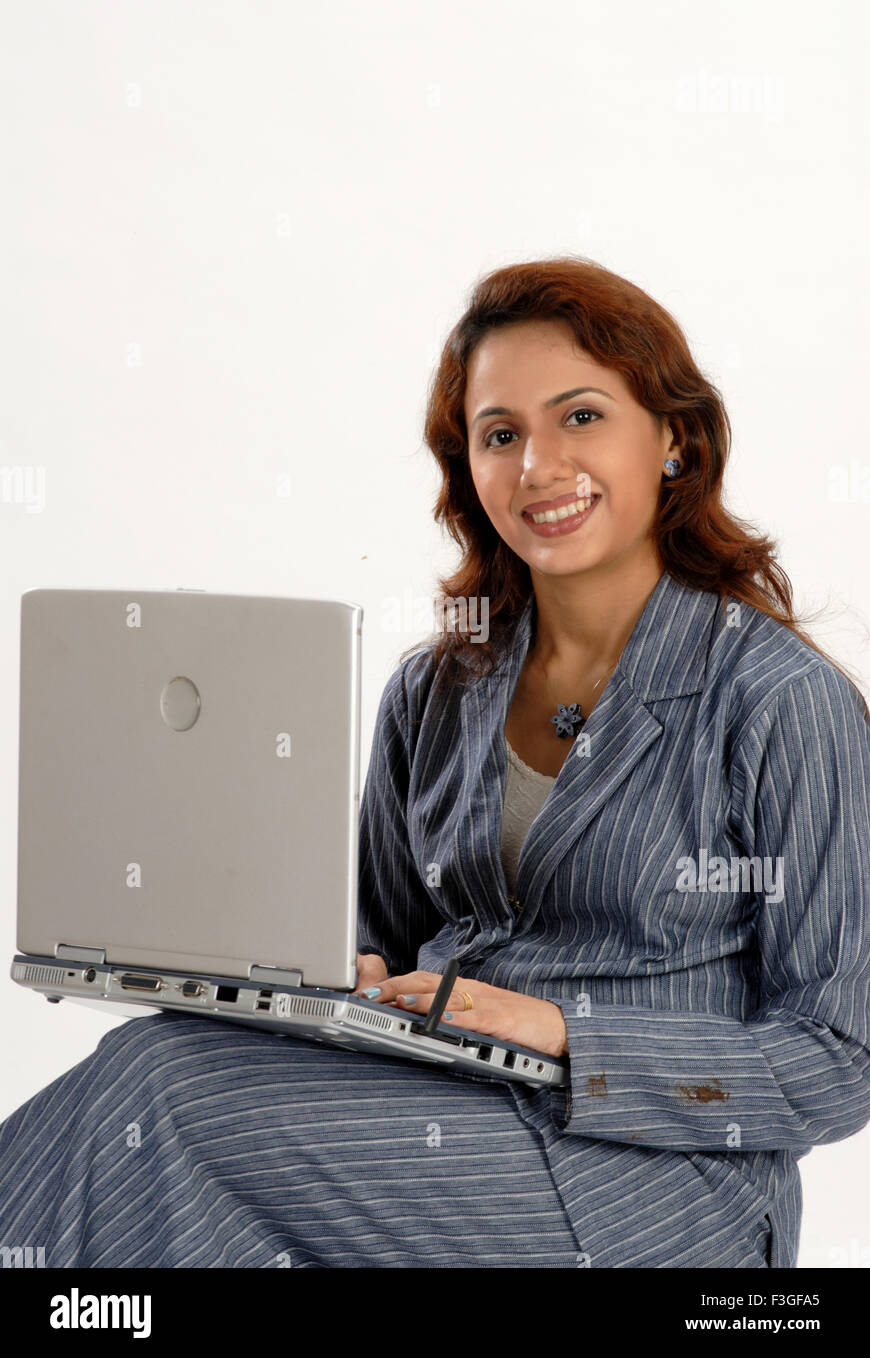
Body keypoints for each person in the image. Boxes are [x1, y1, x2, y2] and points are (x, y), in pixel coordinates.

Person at [1, 256, 868, 1268]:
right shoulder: (436, 689)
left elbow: (837, 1060)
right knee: (160, 1087)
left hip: (652, 1185)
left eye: (580, 416)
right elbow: (379, 941)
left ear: (673, 436)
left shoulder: (778, 702)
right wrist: (349, 978)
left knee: (167, 1100)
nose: (539, 465)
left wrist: (560, 1032)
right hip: (435, 1115)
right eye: (501, 434)